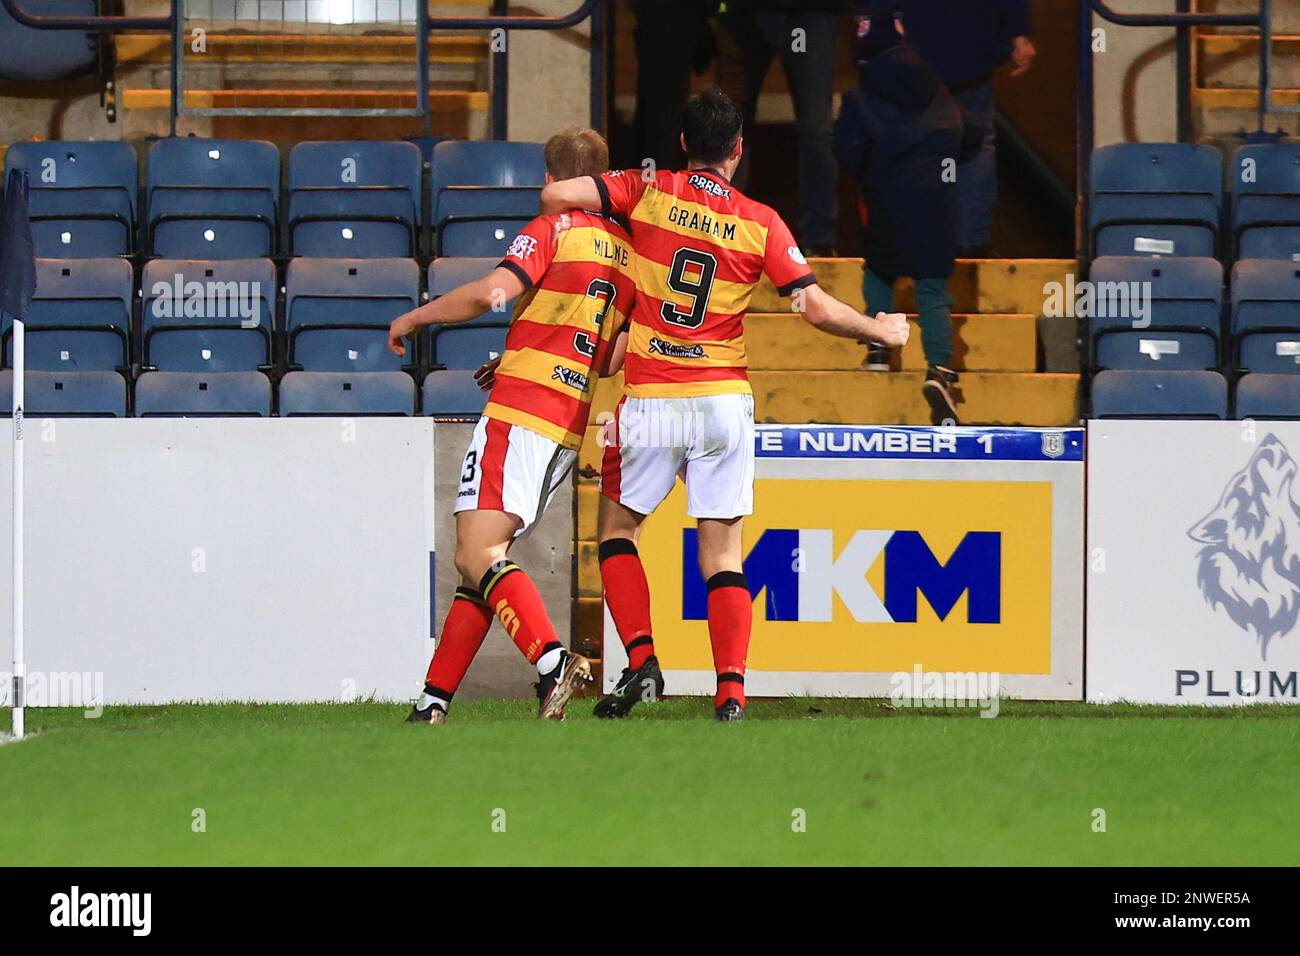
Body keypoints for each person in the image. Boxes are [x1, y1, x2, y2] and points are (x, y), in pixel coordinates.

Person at [540, 87, 910, 721]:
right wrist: (881, 329)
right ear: (737, 149)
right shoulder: (760, 220)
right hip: (721, 401)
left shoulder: (647, 190)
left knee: (618, 532)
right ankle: (732, 692)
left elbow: (557, 195)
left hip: (653, 397)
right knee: (722, 553)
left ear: (682, 145)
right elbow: (813, 307)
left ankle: (643, 660)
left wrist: (610, 208)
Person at [388, 127, 636, 724]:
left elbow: (490, 293)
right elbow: (606, 356)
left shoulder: (552, 229)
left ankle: (552, 663)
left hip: (522, 412)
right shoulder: (630, 260)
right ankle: (432, 703)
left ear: (553, 181)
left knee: (476, 551)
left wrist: (414, 318)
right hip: (566, 423)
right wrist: (521, 352)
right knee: (480, 561)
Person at [834, 7, 980, 424]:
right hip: (937, 207)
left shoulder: (861, 95)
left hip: (885, 204)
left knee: (878, 272)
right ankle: (940, 370)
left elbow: (848, 151)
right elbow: (970, 134)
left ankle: (879, 349)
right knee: (933, 291)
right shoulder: (938, 89)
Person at [899, 0, 1035, 255]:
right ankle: (970, 242)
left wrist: (872, 27)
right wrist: (1018, 30)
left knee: (909, 145)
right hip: (971, 39)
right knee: (975, 145)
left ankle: (917, 241)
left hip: (911, 38)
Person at [716, 0, 843, 256]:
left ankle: (819, 242)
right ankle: (719, 229)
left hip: (810, 12)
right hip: (745, 14)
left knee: (816, 131)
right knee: (729, 126)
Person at [630, 0, 721, 172]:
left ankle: (647, 179)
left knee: (654, 109)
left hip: (662, 16)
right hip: (673, 16)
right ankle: (655, 181)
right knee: (664, 111)